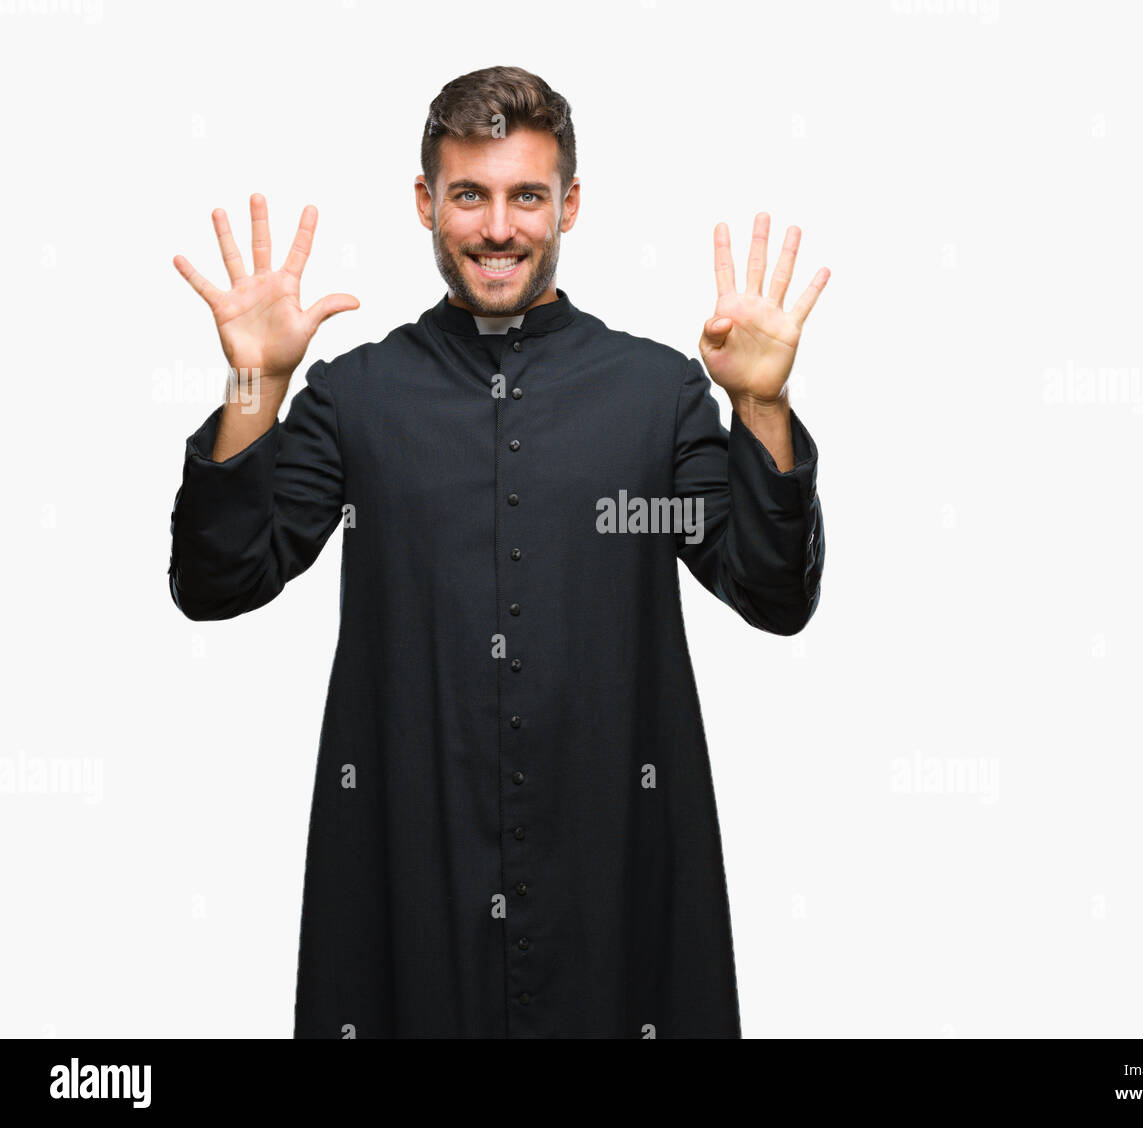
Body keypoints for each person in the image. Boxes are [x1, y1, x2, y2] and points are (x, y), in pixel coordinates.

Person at [167, 65, 828, 1038]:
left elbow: (773, 592)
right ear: (426, 202)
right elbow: (217, 582)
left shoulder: (658, 394)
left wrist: (759, 407)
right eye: (469, 195)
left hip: (614, 900)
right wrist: (254, 382)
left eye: (526, 196)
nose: (498, 227)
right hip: (414, 894)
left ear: (569, 204)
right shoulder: (357, 398)